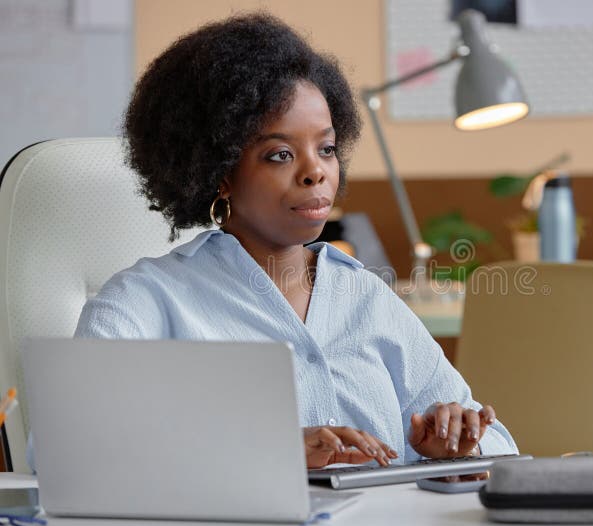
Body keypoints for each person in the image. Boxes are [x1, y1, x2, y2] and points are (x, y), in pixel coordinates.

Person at [74, 13, 518, 469]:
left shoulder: (368, 299)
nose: (315, 172)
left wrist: (458, 448)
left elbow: (499, 447)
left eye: (326, 149)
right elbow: (71, 449)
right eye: (280, 154)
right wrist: (270, 448)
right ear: (219, 172)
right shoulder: (144, 302)